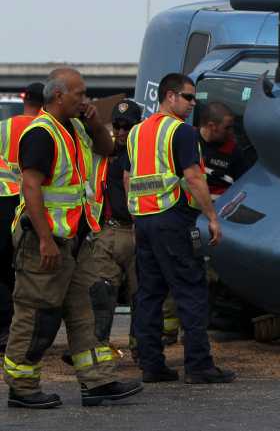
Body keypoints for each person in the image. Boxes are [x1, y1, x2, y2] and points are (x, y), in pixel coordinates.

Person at [3, 68, 143, 408]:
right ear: (57, 96)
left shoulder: (76, 127)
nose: (86, 99)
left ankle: (97, 382)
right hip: (45, 243)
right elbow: (31, 187)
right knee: (36, 316)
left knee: (85, 311)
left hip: (74, 242)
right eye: (79, 94)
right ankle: (22, 388)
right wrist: (45, 240)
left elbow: (109, 148)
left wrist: (95, 122)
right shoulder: (41, 133)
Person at [126, 73, 233, 384]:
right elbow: (195, 178)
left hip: (144, 221)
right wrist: (212, 217)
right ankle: (199, 365)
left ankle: (151, 365)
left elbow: (130, 177)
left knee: (149, 294)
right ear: (170, 96)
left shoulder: (136, 132)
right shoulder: (182, 132)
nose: (192, 104)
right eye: (187, 97)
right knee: (191, 289)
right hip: (172, 217)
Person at [77, 99, 179, 365]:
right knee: (101, 296)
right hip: (105, 233)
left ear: (138, 126)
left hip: (136, 232)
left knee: (142, 297)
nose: (121, 132)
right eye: (118, 126)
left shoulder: (145, 155)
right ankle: (97, 353)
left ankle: (142, 351)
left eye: (127, 126)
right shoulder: (102, 151)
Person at [0, 82, 43, 353]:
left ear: (25, 98)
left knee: (3, 266)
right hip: (29, 203)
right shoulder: (45, 130)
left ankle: (8, 328)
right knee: (24, 268)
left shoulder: (4, 126)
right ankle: (21, 329)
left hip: (2, 199)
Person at [196, 102, 249, 199]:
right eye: (227, 128)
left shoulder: (234, 151)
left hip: (218, 209)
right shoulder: (187, 140)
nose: (231, 132)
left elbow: (243, 187)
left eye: (232, 127)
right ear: (212, 126)